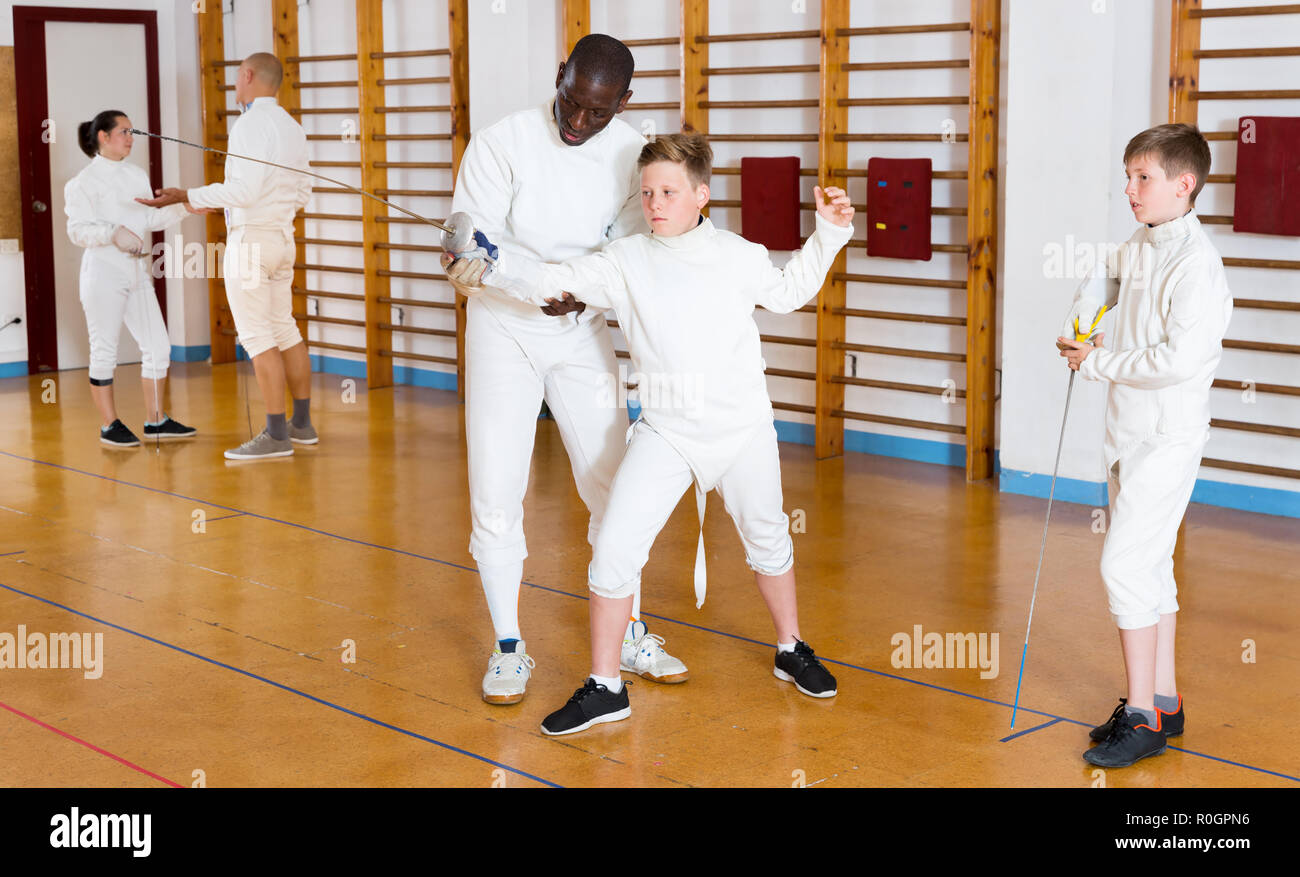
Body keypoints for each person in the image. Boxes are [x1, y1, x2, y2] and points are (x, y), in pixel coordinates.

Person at [453, 133, 854, 735]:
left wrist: (828, 233)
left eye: (668, 191)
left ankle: (791, 647)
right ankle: (606, 687)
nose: (654, 203)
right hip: (667, 431)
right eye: (646, 192)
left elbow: (791, 292)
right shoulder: (625, 261)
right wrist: (495, 260)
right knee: (613, 549)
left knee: (768, 538)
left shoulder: (738, 254)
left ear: (701, 195)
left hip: (742, 428)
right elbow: (551, 280)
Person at [441, 34, 688, 706]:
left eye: (597, 112)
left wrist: (590, 291)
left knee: (614, 485)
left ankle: (631, 629)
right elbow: (468, 239)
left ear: (624, 104)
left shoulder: (633, 152)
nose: (579, 121)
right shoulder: (502, 143)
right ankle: (509, 645)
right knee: (496, 489)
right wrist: (466, 257)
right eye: (572, 102)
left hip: (582, 332)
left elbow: (637, 252)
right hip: (502, 331)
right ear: (559, 77)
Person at [1058, 122, 1232, 767]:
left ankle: (1142, 720)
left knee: (1124, 568)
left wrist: (1097, 363)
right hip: (1128, 435)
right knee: (1151, 567)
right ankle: (1163, 700)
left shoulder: (1198, 266)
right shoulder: (1144, 240)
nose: (1129, 190)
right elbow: (1106, 278)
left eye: (1143, 179)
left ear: (1183, 185)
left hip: (1167, 438)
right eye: (1128, 176)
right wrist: (1081, 323)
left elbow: (1179, 360)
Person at [137, 52, 315, 460]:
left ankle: (275, 436)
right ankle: (301, 426)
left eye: (237, 77)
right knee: (284, 329)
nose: (236, 85)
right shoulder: (292, 127)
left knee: (257, 337)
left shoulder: (250, 124)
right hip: (282, 240)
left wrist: (188, 195)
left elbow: (244, 192)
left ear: (248, 75)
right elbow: (303, 192)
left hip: (251, 244)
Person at [65, 109, 198, 448]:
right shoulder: (82, 183)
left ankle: (156, 421)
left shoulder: (136, 174)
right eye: (124, 131)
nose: (131, 138)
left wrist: (188, 206)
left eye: (132, 131)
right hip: (103, 274)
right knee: (104, 349)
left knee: (158, 346)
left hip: (136, 271)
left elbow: (150, 219)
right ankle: (109, 425)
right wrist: (113, 233)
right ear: (103, 137)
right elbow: (77, 231)